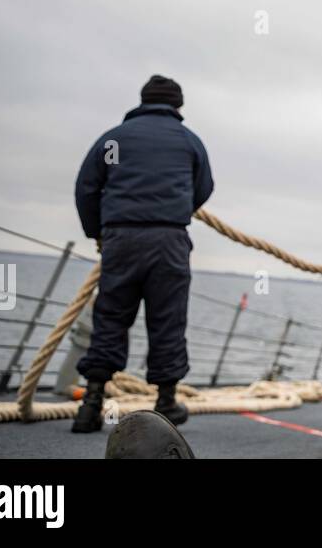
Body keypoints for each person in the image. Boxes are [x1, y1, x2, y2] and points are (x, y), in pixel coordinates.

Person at [71, 75, 214, 433]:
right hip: (169, 241)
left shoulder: (114, 139)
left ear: (143, 100)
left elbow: (86, 187)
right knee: (167, 319)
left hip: (122, 238)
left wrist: (98, 232)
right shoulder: (188, 141)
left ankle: (90, 404)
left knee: (111, 316)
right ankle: (165, 402)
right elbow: (204, 187)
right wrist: (175, 209)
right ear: (177, 105)